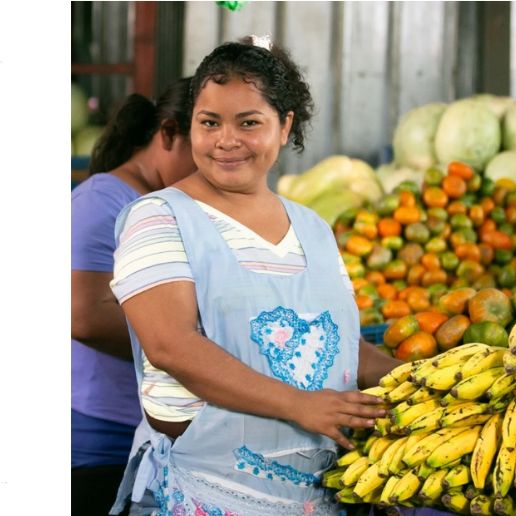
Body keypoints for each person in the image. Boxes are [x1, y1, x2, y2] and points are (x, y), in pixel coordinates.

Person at [108, 39, 401, 516]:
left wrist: (419, 378)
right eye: (209, 123)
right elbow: (169, 344)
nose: (227, 140)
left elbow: (340, 343)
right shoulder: (159, 217)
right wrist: (298, 404)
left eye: (249, 123)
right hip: (204, 494)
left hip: (318, 498)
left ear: (284, 126)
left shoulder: (313, 228)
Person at [71, 77, 197, 515]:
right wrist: (196, 348)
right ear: (167, 134)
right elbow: (81, 315)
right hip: (101, 434)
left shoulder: (171, 205)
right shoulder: (102, 199)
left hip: (153, 430)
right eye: (201, 148)